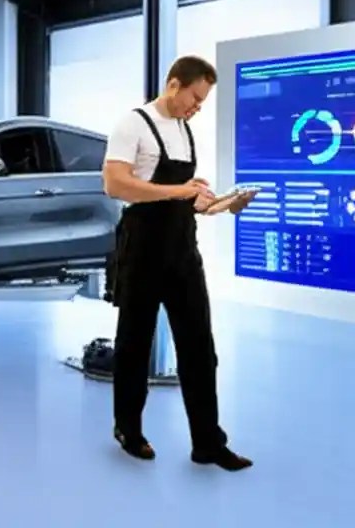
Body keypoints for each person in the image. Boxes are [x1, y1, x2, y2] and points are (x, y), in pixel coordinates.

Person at [101, 55, 252, 471]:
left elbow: (188, 200)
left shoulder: (185, 131)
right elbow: (114, 183)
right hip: (143, 250)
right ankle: (128, 429)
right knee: (134, 343)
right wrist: (178, 192)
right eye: (195, 98)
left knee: (200, 348)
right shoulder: (133, 123)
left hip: (183, 252)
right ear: (174, 84)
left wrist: (219, 204)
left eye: (202, 102)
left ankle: (207, 442)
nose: (196, 108)